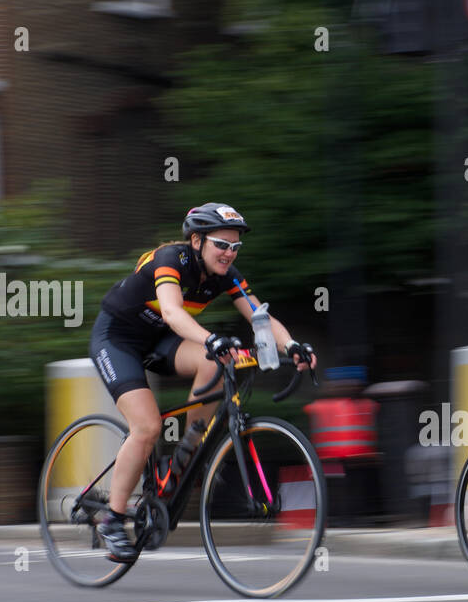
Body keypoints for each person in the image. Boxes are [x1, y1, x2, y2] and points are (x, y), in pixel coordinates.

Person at [88, 202, 316, 560]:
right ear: (196, 241)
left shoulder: (226, 274)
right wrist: (210, 337)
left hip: (160, 341)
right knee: (146, 428)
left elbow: (259, 315)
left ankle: (187, 453)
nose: (229, 252)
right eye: (221, 244)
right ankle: (112, 518)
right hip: (118, 339)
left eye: (235, 246)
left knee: (218, 360)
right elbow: (173, 312)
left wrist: (292, 345)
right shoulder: (169, 259)